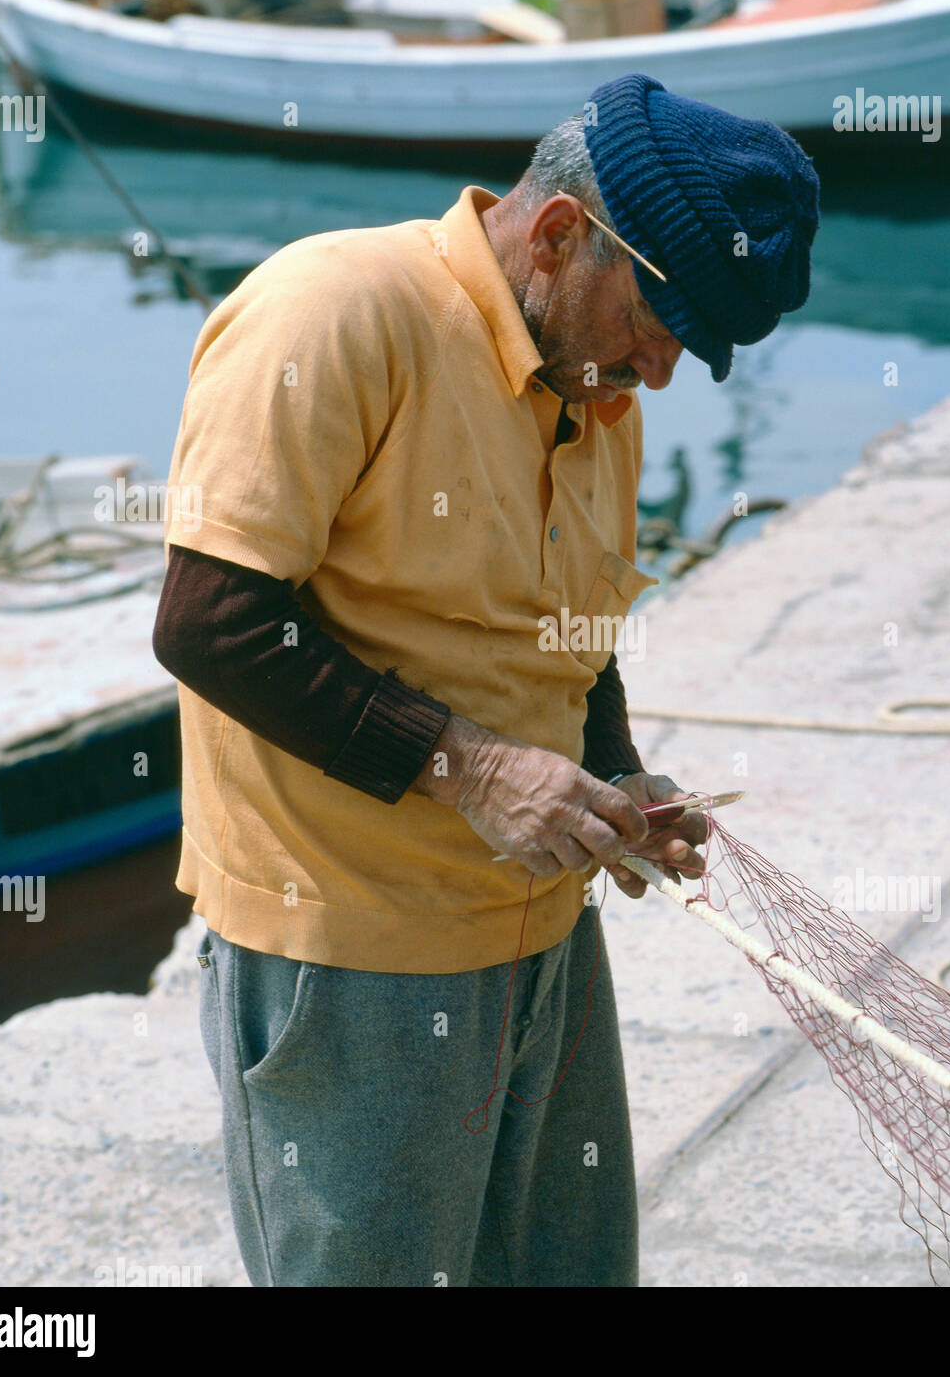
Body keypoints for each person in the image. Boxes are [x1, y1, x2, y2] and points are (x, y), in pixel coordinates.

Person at [152, 72, 820, 1287]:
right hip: (349, 961)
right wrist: (475, 769)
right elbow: (212, 624)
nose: (659, 376)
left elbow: (573, 628)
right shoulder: (332, 311)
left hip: (539, 934)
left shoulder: (591, 378)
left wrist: (613, 775)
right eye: (660, 330)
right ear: (563, 235)